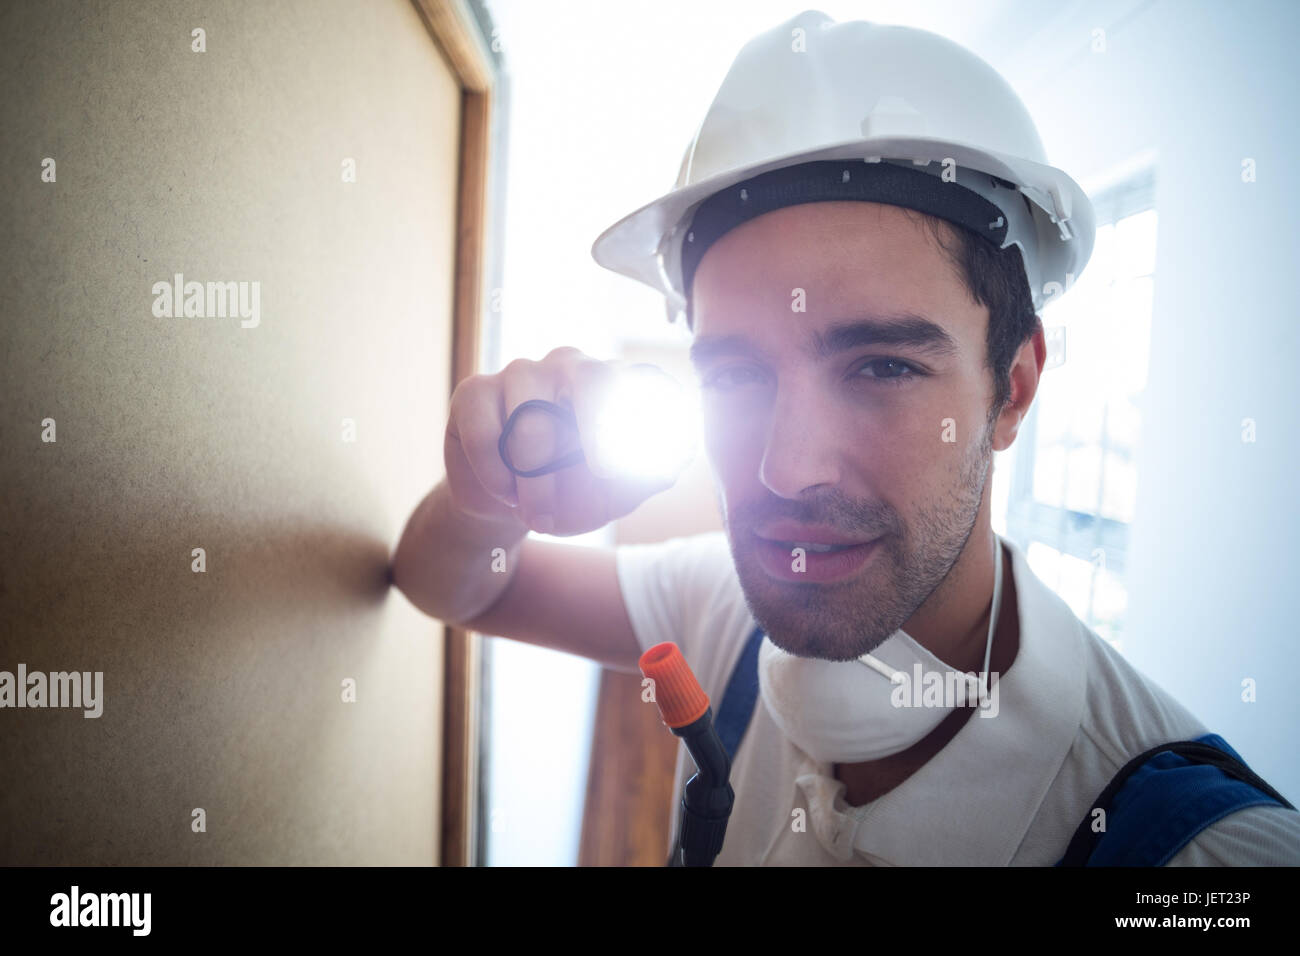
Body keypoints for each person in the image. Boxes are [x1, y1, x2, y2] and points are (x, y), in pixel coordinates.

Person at [391, 10, 1300, 865]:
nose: (784, 472)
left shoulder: (1193, 851)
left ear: (1012, 386)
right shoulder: (725, 602)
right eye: (736, 378)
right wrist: (489, 494)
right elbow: (454, 587)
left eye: (881, 368)